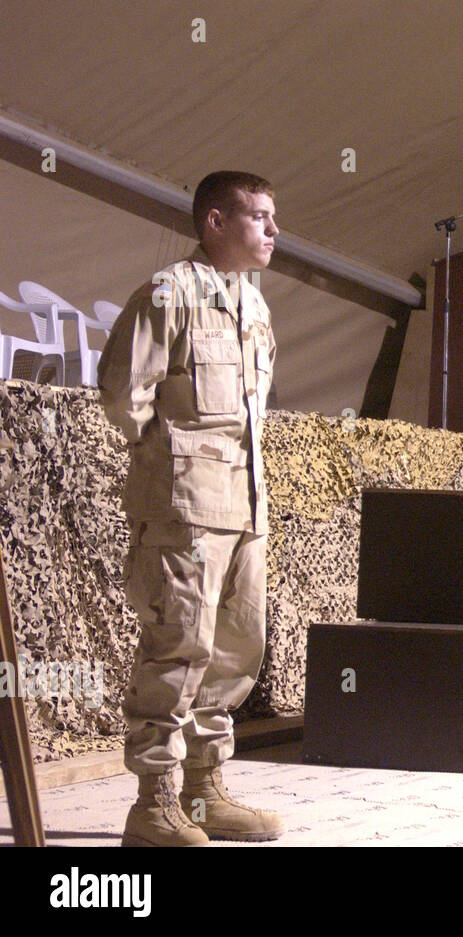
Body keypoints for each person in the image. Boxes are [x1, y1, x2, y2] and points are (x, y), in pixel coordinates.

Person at [98, 171, 285, 846]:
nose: (272, 230)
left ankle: (205, 792)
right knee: (177, 650)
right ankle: (152, 806)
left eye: (272, 217)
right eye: (258, 217)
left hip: (245, 508)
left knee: (235, 651)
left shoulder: (252, 305)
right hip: (184, 511)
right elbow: (124, 393)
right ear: (213, 221)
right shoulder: (168, 293)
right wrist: (167, 465)